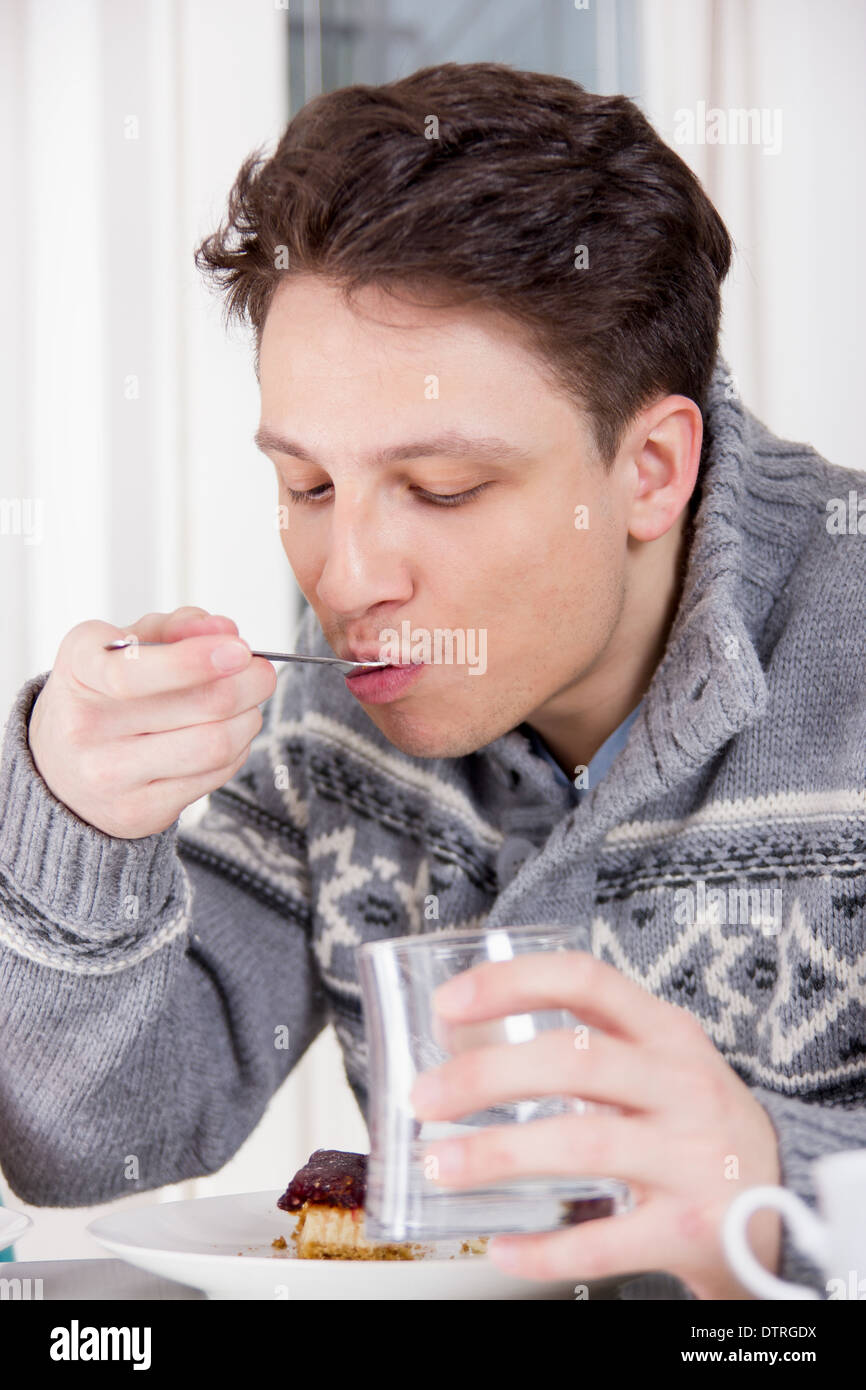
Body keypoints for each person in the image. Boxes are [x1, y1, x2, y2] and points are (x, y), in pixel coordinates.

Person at [1, 63, 863, 1301]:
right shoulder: (333, 717)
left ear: (651, 469)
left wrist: (773, 1190)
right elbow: (92, 1135)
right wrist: (74, 822)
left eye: (443, 490)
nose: (345, 576)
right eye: (305, 485)